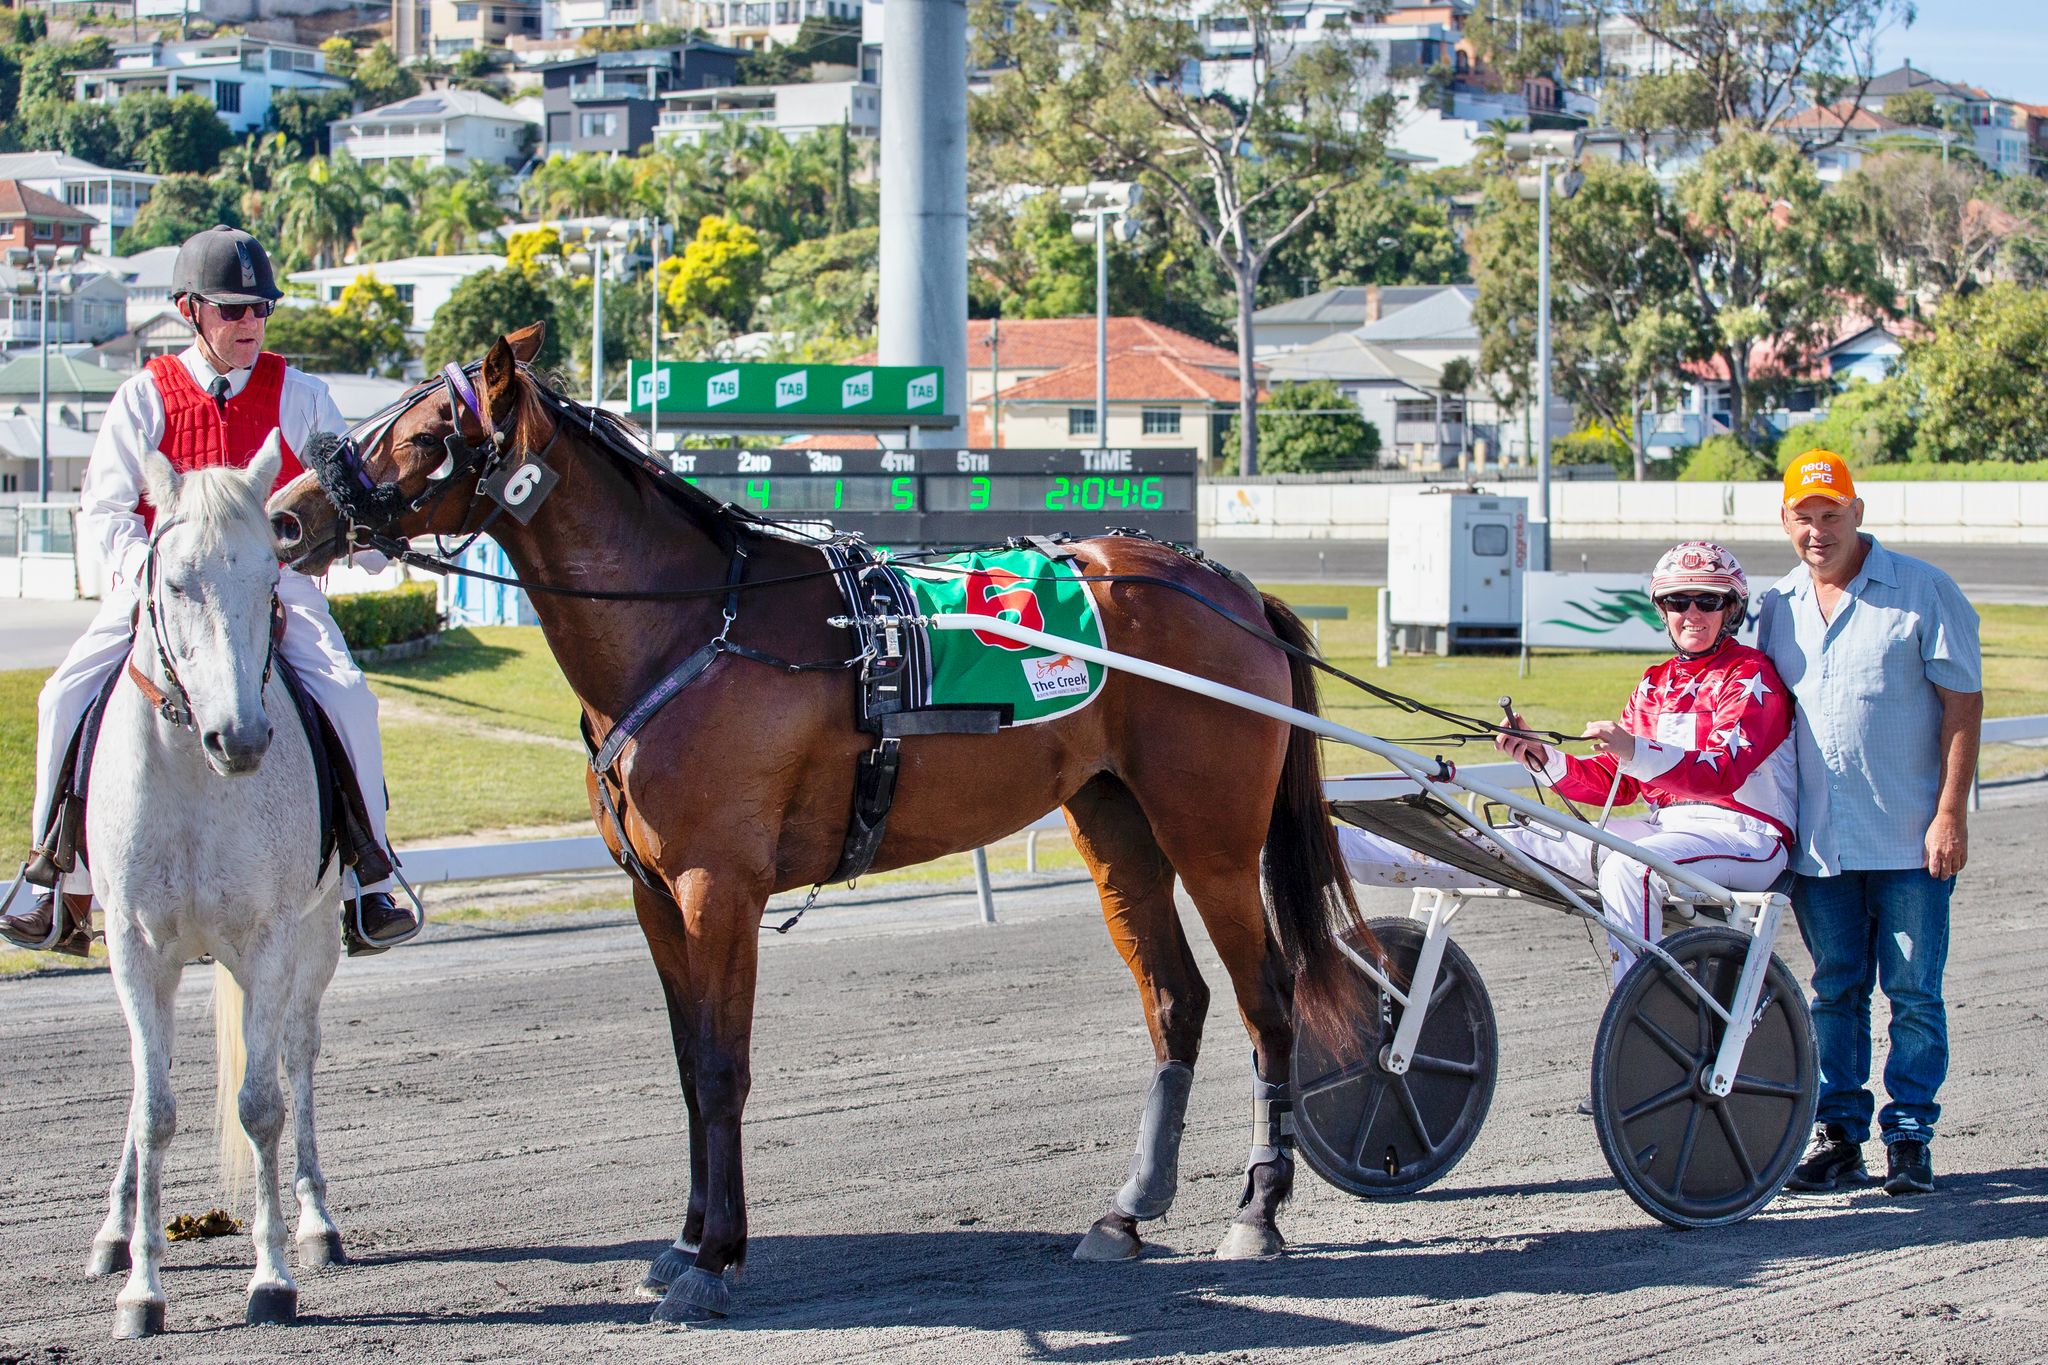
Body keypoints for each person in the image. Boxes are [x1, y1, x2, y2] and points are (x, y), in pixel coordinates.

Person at [1, 225, 418, 958]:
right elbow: (104, 512)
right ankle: (52, 877)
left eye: (260, 309)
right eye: (233, 311)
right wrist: (153, 585)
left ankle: (370, 872)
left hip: (276, 585)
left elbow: (347, 499)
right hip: (169, 598)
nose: (250, 324)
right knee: (60, 694)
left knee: (350, 696)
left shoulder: (303, 394)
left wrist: (372, 539)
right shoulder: (143, 398)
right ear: (190, 310)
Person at [1339, 541, 1796, 990]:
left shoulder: (1753, 676)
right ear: (1662, 608)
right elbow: (1615, 786)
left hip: (1746, 835)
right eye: (1678, 600)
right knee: (1522, 844)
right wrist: (1543, 756)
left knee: (1626, 867)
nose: (1691, 613)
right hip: (1667, 829)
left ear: (1732, 609)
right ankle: (1345, 848)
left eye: (1708, 601)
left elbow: (1721, 773)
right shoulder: (1656, 683)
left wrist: (1634, 749)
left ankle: (1641, 1011)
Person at [1760, 449, 1981, 1198]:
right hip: (1819, 842)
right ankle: (1839, 1136)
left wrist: (1950, 812)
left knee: (1914, 990)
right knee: (1835, 990)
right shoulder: (1775, 607)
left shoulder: (1923, 591)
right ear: (1785, 521)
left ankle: (1911, 1134)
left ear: (1857, 511)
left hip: (1911, 838)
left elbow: (1962, 706)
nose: (1818, 531)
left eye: (1831, 514)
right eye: (1804, 517)